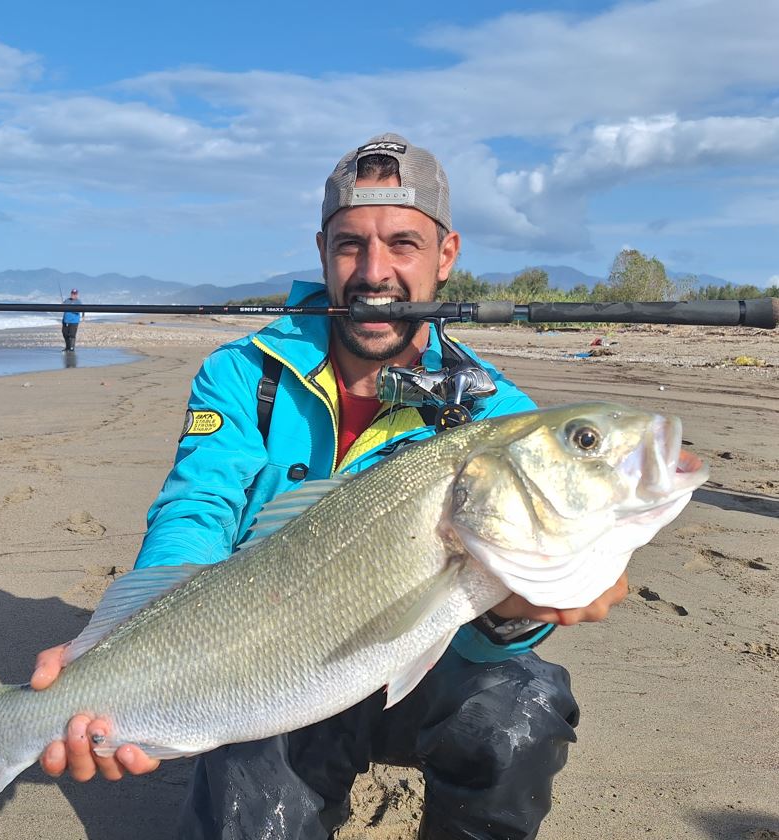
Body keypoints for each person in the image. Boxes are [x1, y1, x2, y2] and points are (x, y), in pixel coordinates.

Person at [32, 133, 629, 839]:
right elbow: (198, 504)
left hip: (421, 667)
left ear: (446, 255)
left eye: (403, 243)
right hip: (269, 667)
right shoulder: (242, 374)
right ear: (322, 251)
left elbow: (485, 636)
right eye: (350, 245)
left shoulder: (499, 418)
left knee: (520, 709)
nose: (373, 273)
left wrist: (518, 614)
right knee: (249, 814)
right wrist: (127, 640)